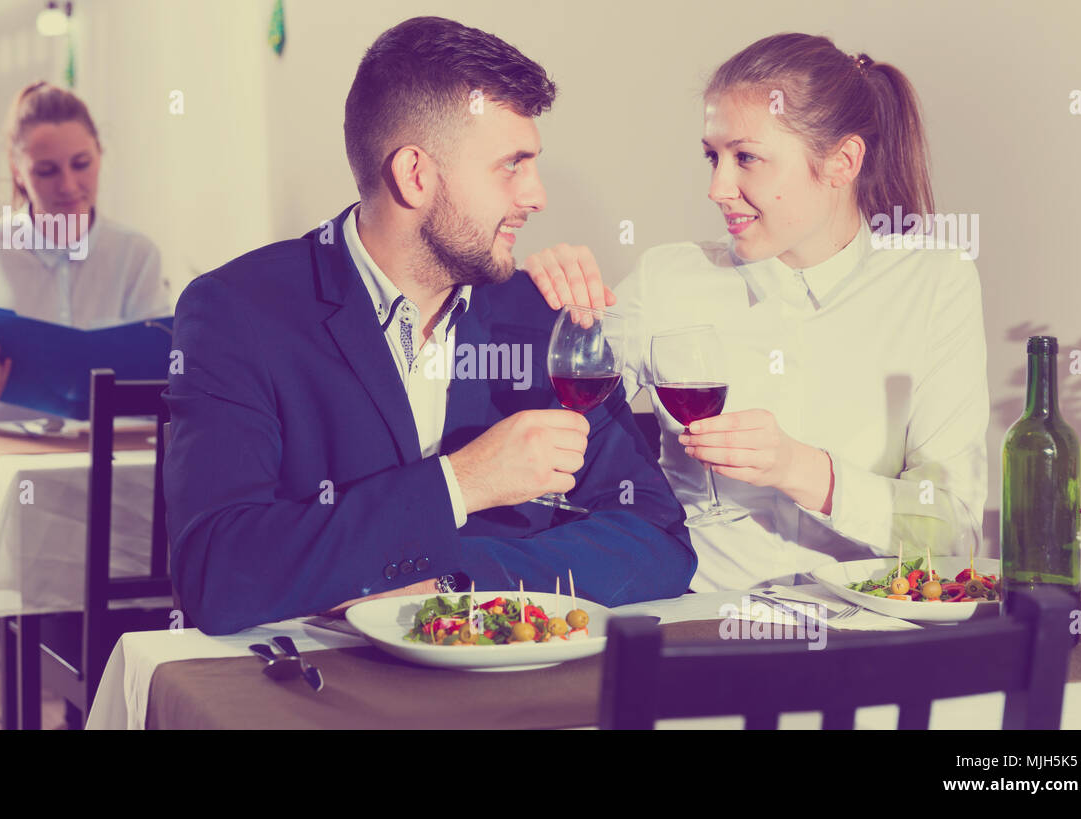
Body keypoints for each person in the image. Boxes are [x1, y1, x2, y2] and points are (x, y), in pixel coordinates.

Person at [165, 16, 696, 634]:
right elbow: (217, 572)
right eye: (511, 166)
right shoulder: (239, 310)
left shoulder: (540, 314)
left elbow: (657, 538)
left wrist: (453, 580)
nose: (536, 196)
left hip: (524, 689)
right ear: (415, 175)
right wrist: (462, 482)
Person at [520, 33, 987, 592]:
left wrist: (798, 468)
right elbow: (546, 412)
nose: (718, 187)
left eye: (747, 158)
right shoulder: (670, 277)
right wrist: (541, 300)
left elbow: (954, 531)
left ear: (842, 161)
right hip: (697, 618)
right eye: (712, 157)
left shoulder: (935, 284)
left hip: (867, 625)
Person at [0, 82, 169, 439]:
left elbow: (162, 389)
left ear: (100, 153)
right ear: (18, 171)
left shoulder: (136, 254)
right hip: (4, 469)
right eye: (46, 171)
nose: (68, 185)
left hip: (114, 467)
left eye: (81, 164)